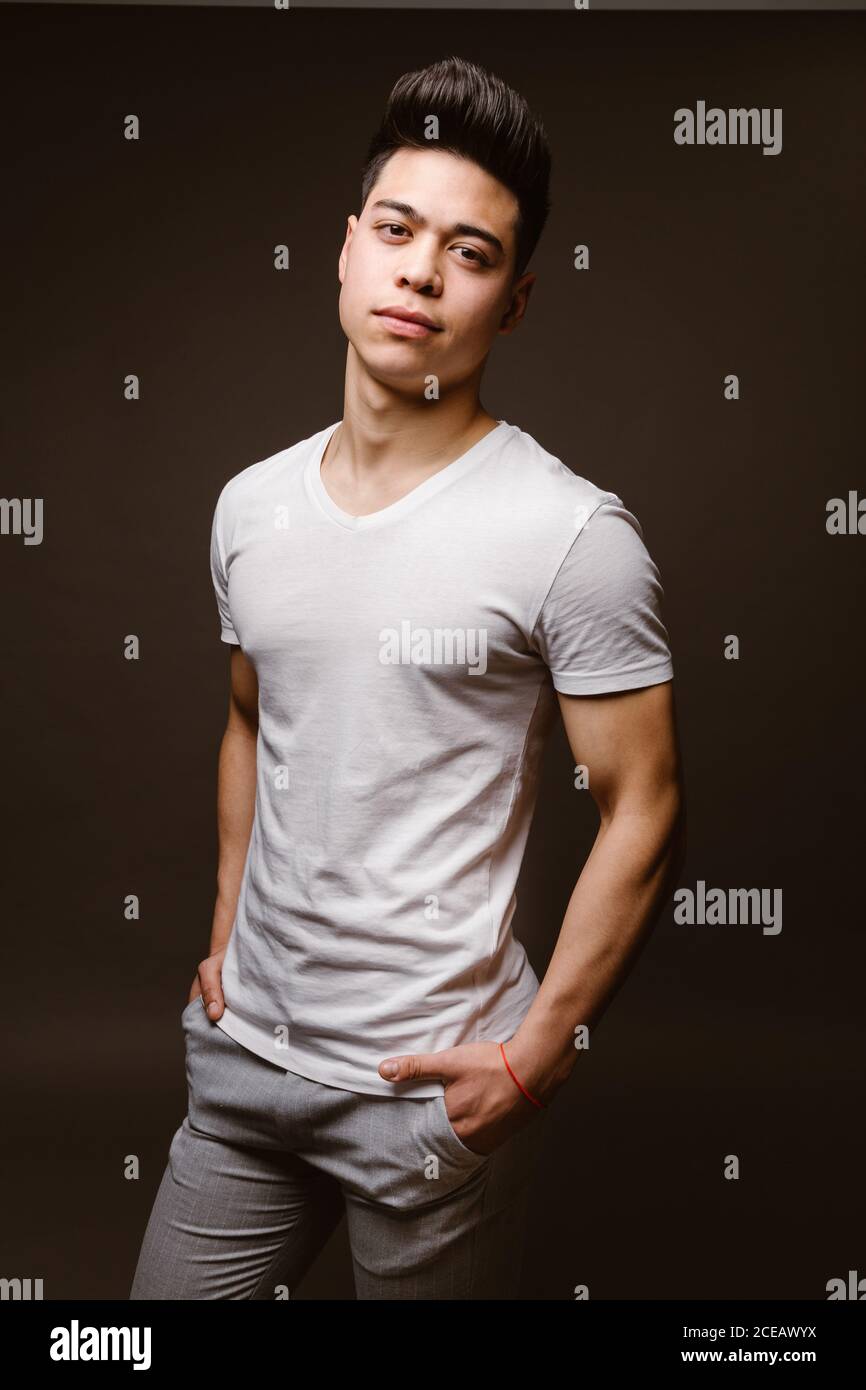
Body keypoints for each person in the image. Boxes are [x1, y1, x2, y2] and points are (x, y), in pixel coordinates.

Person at [130, 54, 686, 1301]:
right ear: (345, 249)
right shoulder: (249, 505)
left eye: (470, 253)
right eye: (396, 230)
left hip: (429, 1102)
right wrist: (227, 929)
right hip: (239, 1067)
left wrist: (533, 1059)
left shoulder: (571, 535)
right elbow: (248, 718)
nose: (421, 272)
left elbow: (642, 808)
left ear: (515, 299)